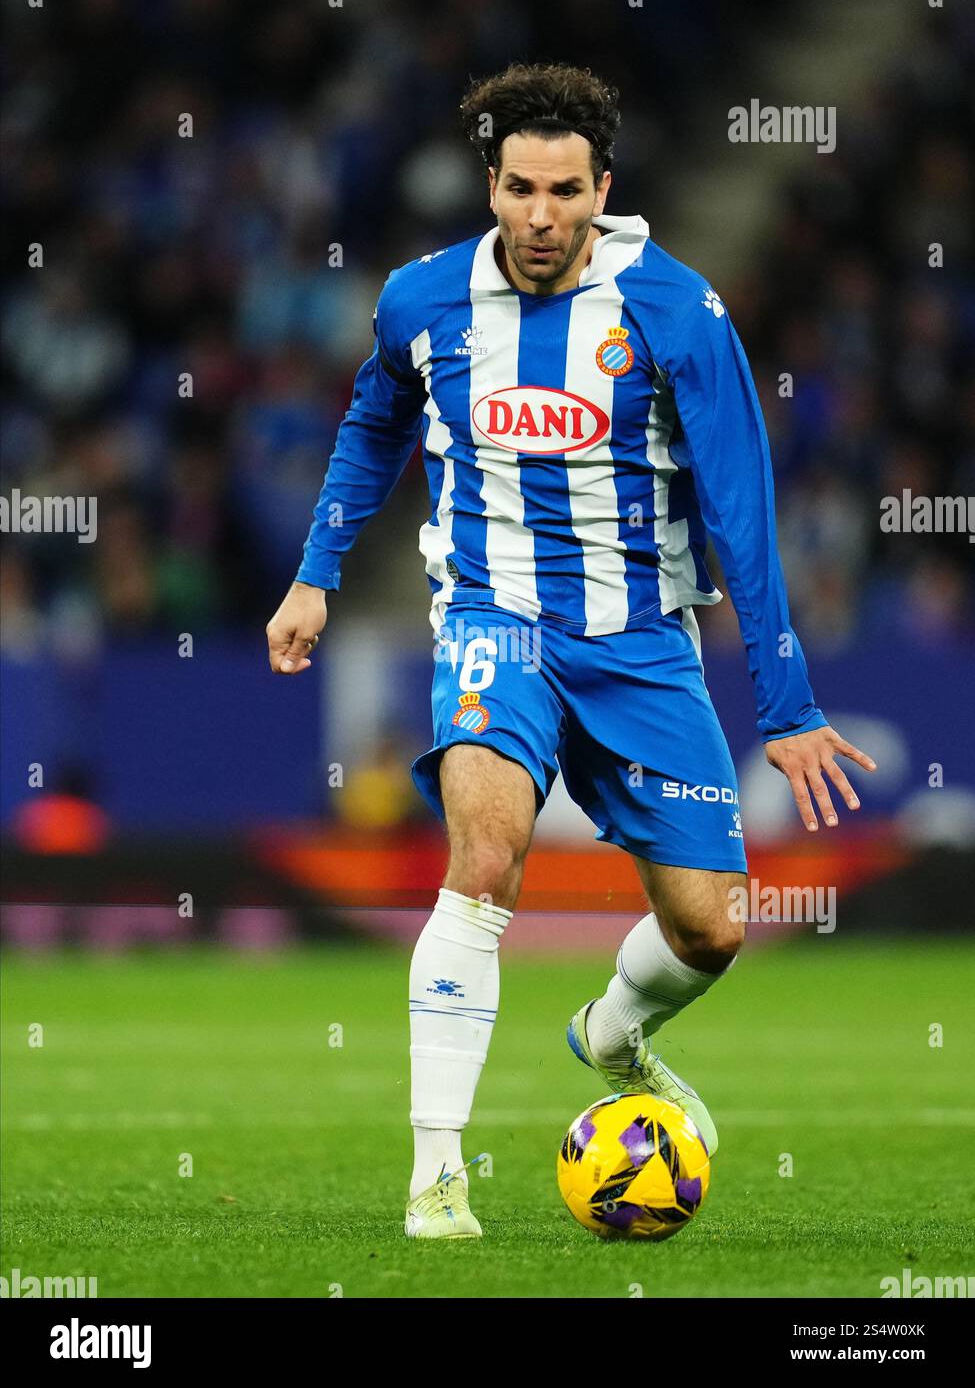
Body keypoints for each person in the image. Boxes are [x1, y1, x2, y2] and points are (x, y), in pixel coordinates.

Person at [265, 63, 876, 1240]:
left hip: (644, 643)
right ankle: (435, 1172)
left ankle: (613, 1032)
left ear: (606, 189)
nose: (540, 216)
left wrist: (787, 703)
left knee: (710, 927)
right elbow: (373, 424)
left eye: (565, 191)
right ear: (488, 184)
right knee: (484, 860)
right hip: (493, 625)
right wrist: (314, 573)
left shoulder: (675, 308)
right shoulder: (420, 301)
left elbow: (742, 511)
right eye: (518, 188)